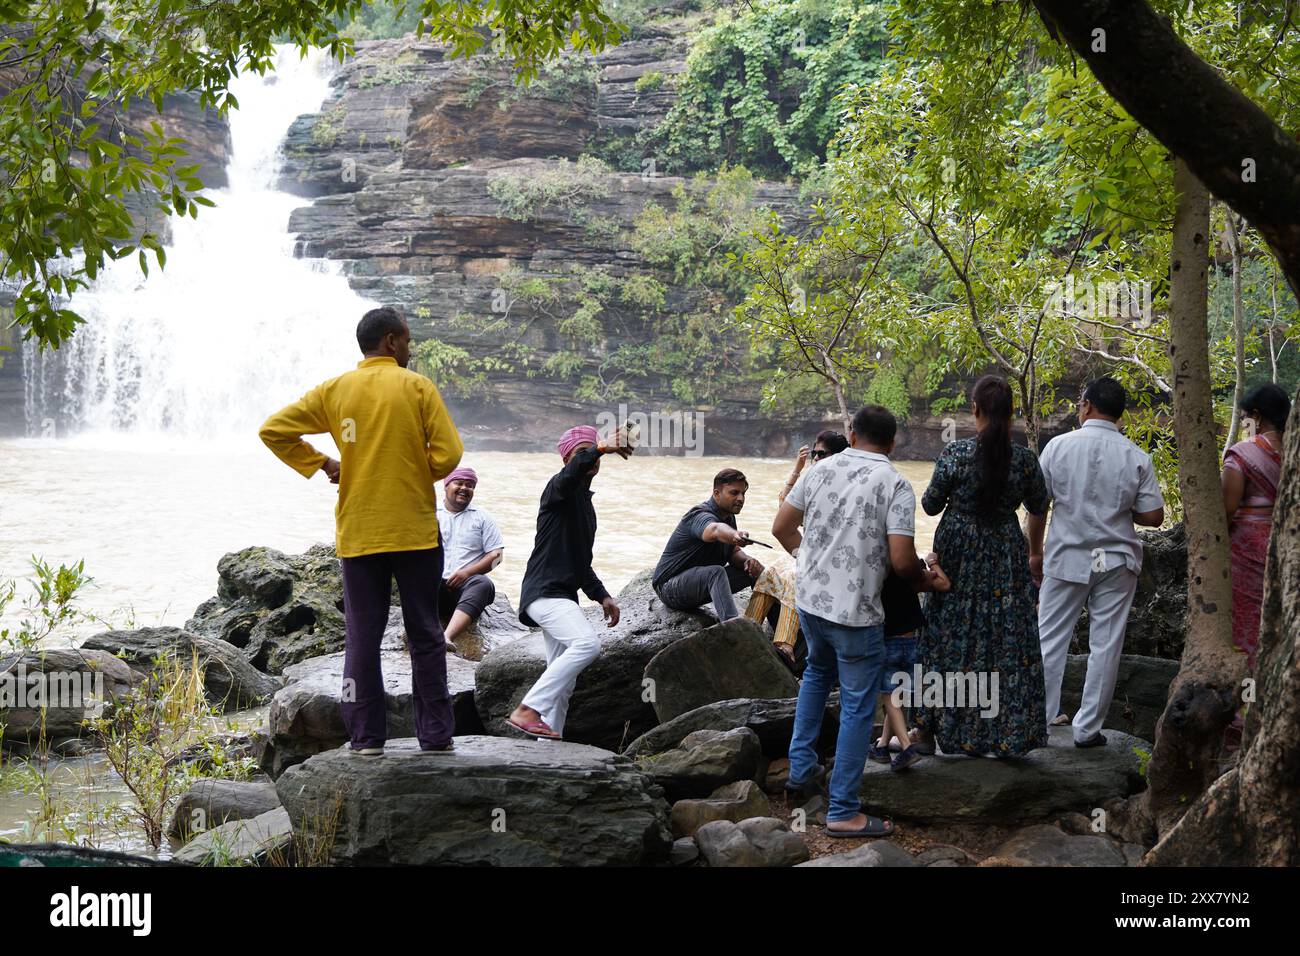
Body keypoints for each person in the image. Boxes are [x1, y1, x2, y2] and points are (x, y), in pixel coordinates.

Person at [259, 306, 463, 756]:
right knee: (426, 634)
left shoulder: (335, 391)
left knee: (362, 637)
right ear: (391, 341)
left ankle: (367, 739)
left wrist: (324, 463)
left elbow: (273, 430)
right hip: (414, 533)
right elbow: (449, 456)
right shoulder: (417, 387)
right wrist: (411, 469)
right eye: (407, 340)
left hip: (360, 533)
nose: (409, 349)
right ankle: (435, 736)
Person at [773, 405, 941, 837]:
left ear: (851, 433)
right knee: (856, 704)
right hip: (856, 612)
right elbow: (903, 561)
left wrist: (808, 560)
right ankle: (843, 811)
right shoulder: (895, 484)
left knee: (815, 675)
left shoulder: (819, 469)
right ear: (893, 441)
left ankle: (800, 770)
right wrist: (929, 582)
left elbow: (781, 527)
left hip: (810, 602)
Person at [912, 375, 1050, 758]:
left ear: (974, 410)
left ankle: (926, 729)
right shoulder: (1024, 460)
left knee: (946, 635)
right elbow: (1039, 505)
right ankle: (1006, 736)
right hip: (1005, 552)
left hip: (957, 554)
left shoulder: (956, 455)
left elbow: (929, 505)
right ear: (1011, 414)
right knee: (1004, 639)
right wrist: (1034, 553)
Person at [1027, 377, 1165, 749]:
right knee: (1106, 645)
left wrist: (1034, 552)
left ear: (1086, 405)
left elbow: (1038, 506)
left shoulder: (1058, 448)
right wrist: (1121, 510)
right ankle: (1088, 730)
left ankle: (1036, 723)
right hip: (1117, 561)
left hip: (1067, 557)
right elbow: (1154, 516)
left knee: (1049, 640)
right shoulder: (1136, 456)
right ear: (1119, 414)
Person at [506, 425, 632, 740]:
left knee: (564, 682)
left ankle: (545, 751)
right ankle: (527, 709)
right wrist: (601, 447)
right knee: (587, 644)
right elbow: (572, 472)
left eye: (592, 453)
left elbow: (581, 564)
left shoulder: (586, 507)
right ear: (567, 459)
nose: (589, 459)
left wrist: (603, 596)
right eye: (581, 453)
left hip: (561, 596)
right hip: (544, 594)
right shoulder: (557, 489)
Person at [1221, 383, 1290, 672]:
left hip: (1248, 551)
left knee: (1248, 626)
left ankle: (1245, 706)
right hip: (1288, 544)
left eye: (1247, 416)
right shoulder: (1294, 449)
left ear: (1257, 416)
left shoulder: (1242, 454)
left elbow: (1227, 508)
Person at [653, 469, 773, 624]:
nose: (741, 498)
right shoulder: (699, 515)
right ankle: (734, 627)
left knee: (759, 573)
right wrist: (734, 536)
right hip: (669, 588)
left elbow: (733, 553)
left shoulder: (729, 518)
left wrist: (748, 561)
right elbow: (714, 530)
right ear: (716, 493)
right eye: (734, 493)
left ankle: (779, 639)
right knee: (716, 572)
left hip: (700, 586)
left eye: (743, 493)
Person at [435, 466, 505, 649]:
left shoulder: (482, 517)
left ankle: (447, 637)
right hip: (434, 586)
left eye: (470, 485)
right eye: (459, 483)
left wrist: (467, 572)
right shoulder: (430, 513)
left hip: (466, 589)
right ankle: (422, 633)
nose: (464, 488)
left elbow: (497, 556)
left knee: (484, 584)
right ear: (446, 486)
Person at [778, 430, 850, 504]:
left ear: (837, 455)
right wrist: (797, 470)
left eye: (821, 453)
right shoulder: (811, 481)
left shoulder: (847, 485)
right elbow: (784, 507)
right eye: (814, 453)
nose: (815, 457)